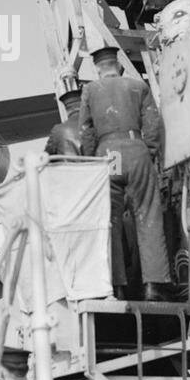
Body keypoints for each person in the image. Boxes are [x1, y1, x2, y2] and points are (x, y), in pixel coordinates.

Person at [79, 46, 177, 301]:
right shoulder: (138, 86)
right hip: (136, 150)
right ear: (118, 64)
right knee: (148, 215)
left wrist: (92, 162)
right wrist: (150, 153)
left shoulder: (90, 90)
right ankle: (154, 286)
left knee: (108, 222)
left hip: (107, 155)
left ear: (98, 69)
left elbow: (86, 131)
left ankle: (116, 287)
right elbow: (153, 125)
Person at [47, 84, 139, 298]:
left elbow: (47, 160)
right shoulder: (99, 127)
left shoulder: (58, 131)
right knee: (114, 236)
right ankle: (119, 287)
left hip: (77, 200)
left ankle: (83, 288)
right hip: (104, 194)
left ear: (66, 107)